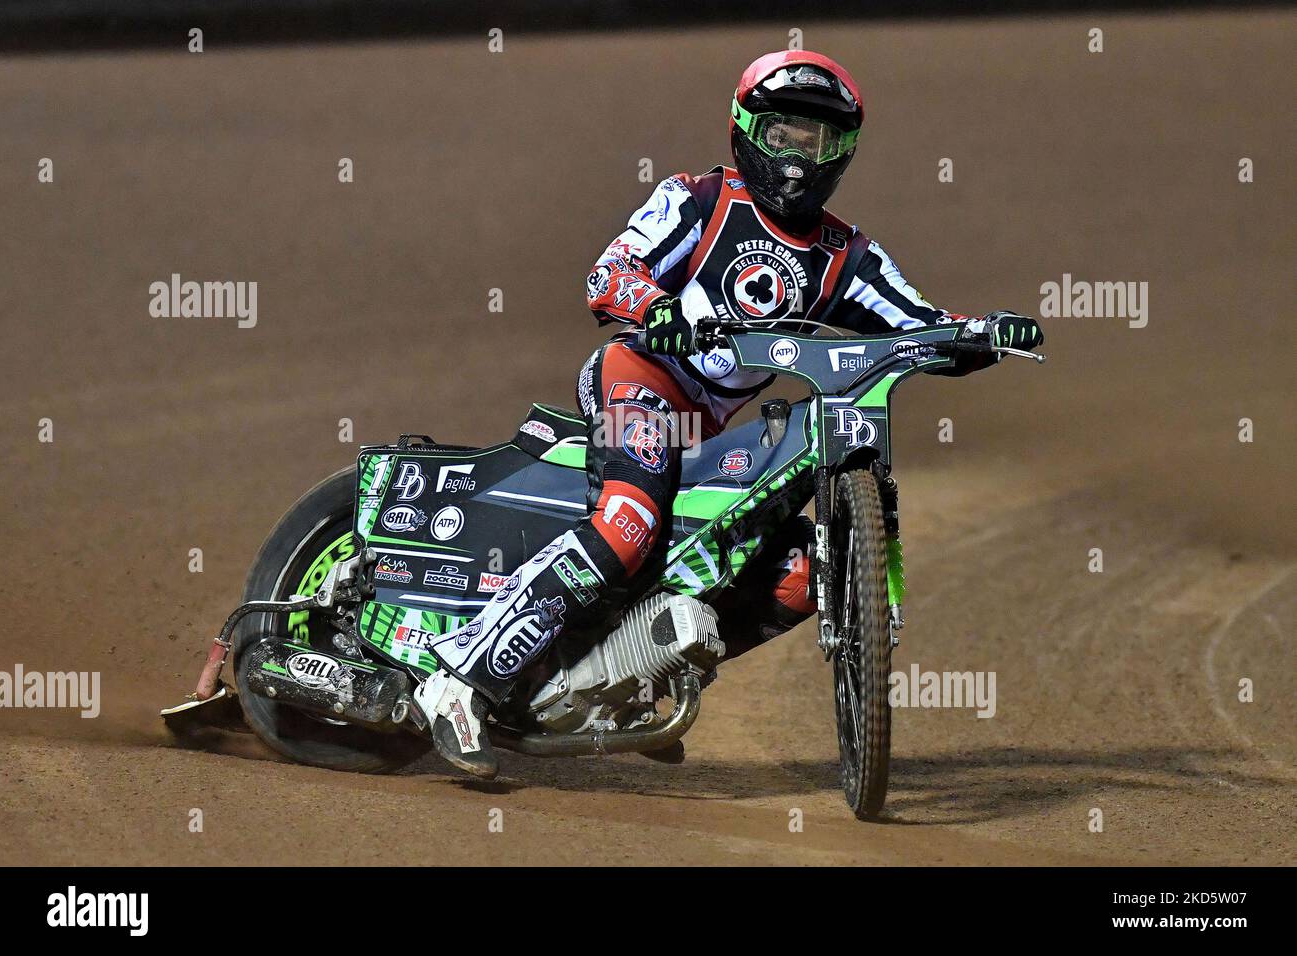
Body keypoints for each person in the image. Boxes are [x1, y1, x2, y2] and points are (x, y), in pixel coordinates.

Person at [413, 50, 1043, 778]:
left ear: (845, 151)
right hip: (640, 380)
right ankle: (459, 680)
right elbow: (611, 270)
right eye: (785, 135)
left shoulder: (846, 256)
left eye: (821, 140)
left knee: (803, 572)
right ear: (746, 130)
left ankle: (633, 674)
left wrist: (982, 334)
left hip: (712, 431)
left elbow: (919, 322)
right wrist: (656, 309)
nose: (801, 159)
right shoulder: (697, 200)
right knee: (630, 519)